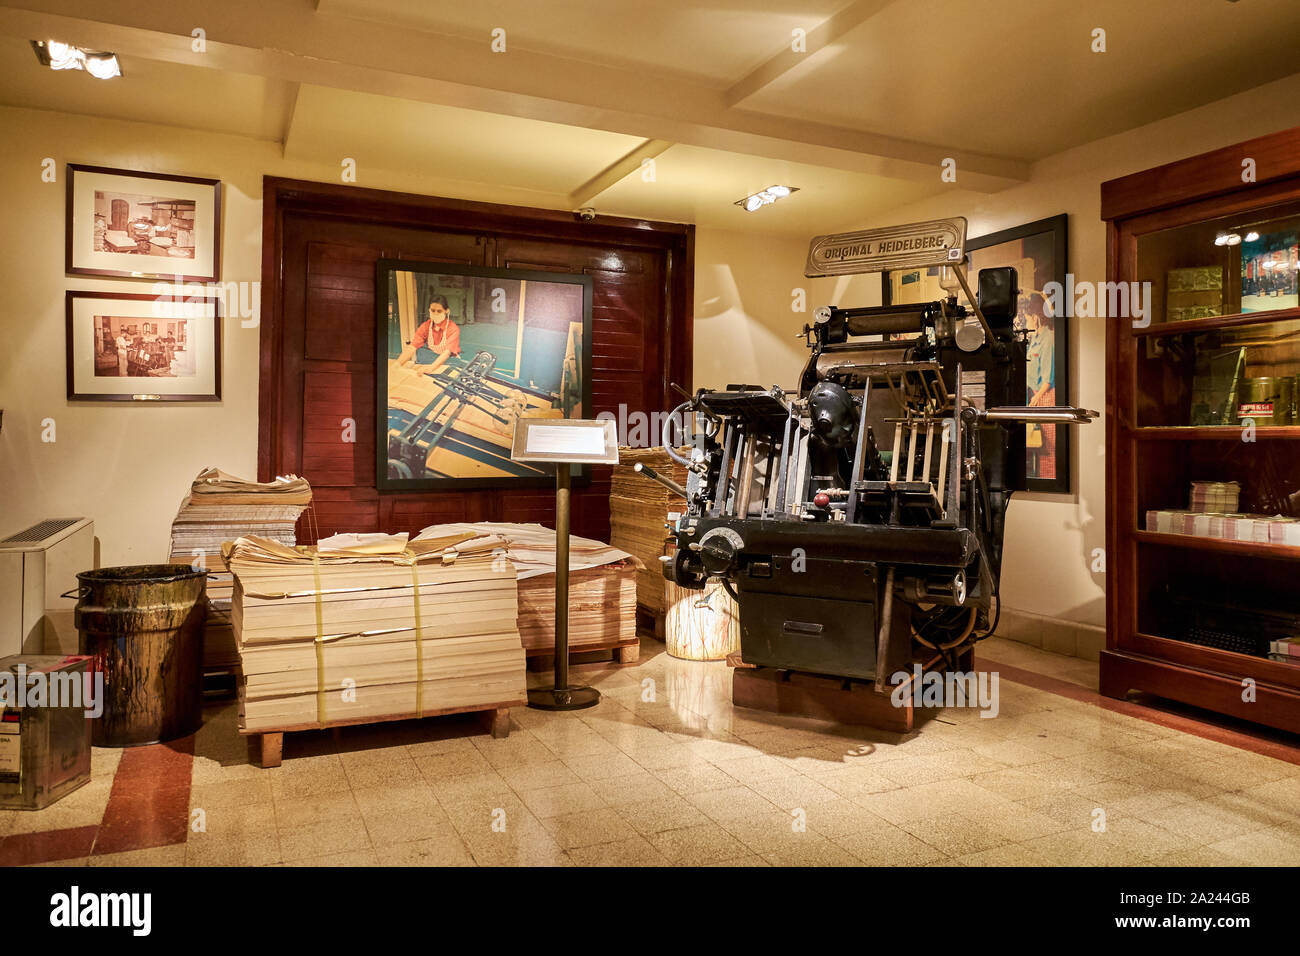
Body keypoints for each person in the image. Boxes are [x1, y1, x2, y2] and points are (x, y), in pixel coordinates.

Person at [396, 296, 461, 376]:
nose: (435, 314)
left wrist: (431, 368)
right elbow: (412, 346)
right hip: (432, 357)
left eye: (439, 311)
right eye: (433, 310)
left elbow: (447, 353)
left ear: (446, 311)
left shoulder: (453, 328)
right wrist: (397, 363)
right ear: (429, 310)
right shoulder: (426, 326)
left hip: (448, 360)